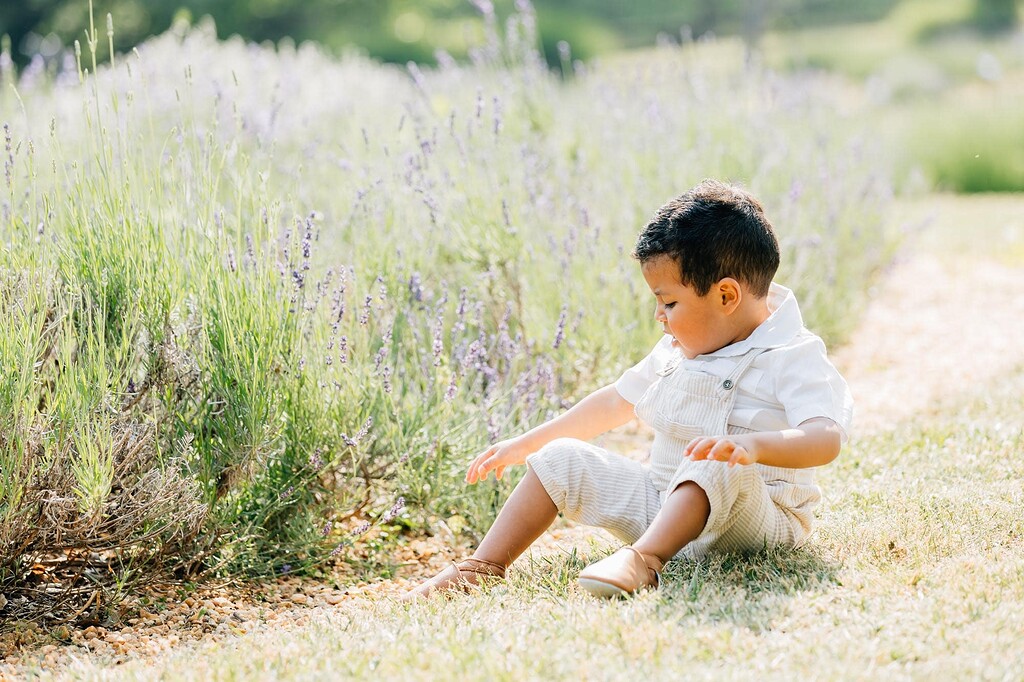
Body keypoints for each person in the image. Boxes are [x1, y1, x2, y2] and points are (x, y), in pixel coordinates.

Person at [403, 179, 853, 599]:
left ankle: (645, 560)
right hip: (661, 506)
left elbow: (825, 437)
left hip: (755, 519)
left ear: (726, 296)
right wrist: (526, 444)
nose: (660, 317)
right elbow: (616, 401)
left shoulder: (791, 353)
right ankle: (484, 565)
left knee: (715, 460)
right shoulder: (679, 348)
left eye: (669, 303)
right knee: (561, 457)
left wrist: (751, 447)